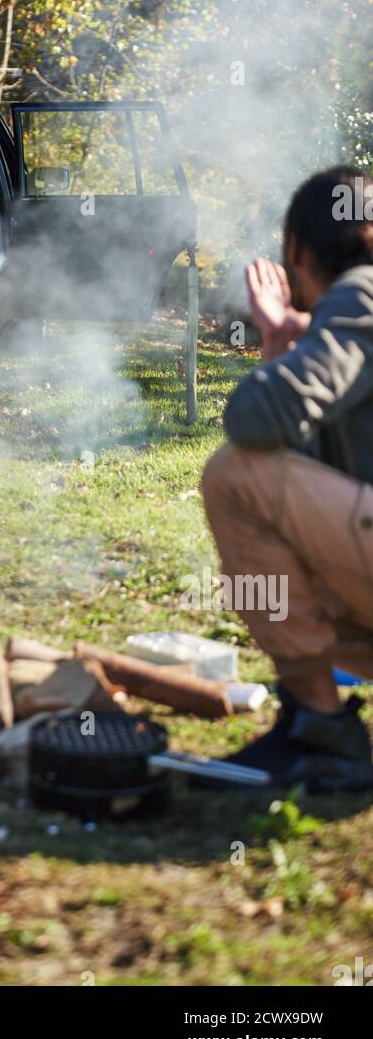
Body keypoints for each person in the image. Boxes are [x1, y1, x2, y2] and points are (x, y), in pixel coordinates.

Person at [200, 164, 373, 790]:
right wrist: (286, 342)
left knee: (231, 477)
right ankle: (310, 721)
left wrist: (283, 328)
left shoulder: (360, 294)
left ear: (296, 249)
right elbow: (305, 462)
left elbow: (251, 423)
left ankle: (323, 729)